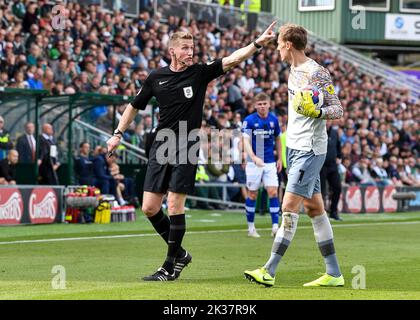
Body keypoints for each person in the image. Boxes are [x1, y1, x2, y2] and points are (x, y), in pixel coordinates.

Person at [107, 23, 278, 281]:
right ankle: (181, 254)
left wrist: (258, 42)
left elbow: (233, 59)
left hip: (187, 143)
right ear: (172, 51)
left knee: (175, 204)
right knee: (150, 207)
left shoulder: (199, 73)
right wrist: (118, 134)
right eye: (185, 48)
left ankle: (168, 266)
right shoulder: (156, 77)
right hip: (162, 143)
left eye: (193, 47)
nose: (191, 52)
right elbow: (133, 106)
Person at [244, 24, 344, 288]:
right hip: (295, 148)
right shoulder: (293, 70)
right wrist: (260, 40)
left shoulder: (316, 73)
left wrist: (318, 112)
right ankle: (334, 273)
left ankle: (268, 270)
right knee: (314, 208)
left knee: (288, 206)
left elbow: (337, 109)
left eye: (278, 43)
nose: (277, 47)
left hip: (310, 149)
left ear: (288, 44)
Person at [242, 92, 282, 238]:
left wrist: (280, 158)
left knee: (273, 192)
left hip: (270, 161)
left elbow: (278, 138)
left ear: (269, 104)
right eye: (259, 104)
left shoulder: (274, 120)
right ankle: (251, 228)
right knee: (252, 194)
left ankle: (275, 227)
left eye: (264, 103)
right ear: (255, 106)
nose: (262, 106)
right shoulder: (249, 120)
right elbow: (245, 140)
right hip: (254, 163)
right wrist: (253, 157)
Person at [320, 121, 343, 221]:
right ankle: (321, 214)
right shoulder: (318, 131)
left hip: (333, 165)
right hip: (321, 165)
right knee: (321, 190)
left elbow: (338, 146)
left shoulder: (334, 132)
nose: (327, 122)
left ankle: (333, 211)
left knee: (337, 187)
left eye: (329, 120)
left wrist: (339, 156)